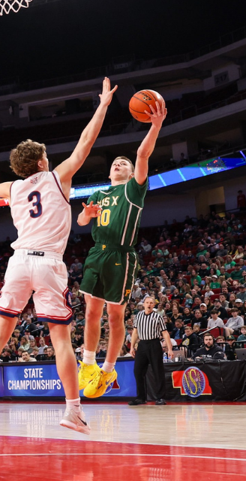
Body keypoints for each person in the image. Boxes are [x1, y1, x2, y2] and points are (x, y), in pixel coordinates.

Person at [0, 77, 115, 437]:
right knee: (60, 338)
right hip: (47, 264)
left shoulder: (12, 188)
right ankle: (73, 411)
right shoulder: (57, 177)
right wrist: (102, 106)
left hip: (18, 262)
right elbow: (85, 144)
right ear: (42, 160)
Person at [76, 92, 164, 399]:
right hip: (96, 254)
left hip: (121, 256)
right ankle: (88, 364)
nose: (118, 164)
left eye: (122, 163)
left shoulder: (133, 190)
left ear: (130, 173)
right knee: (90, 313)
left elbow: (142, 155)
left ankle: (108, 369)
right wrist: (85, 215)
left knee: (115, 316)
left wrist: (155, 125)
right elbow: (81, 223)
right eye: (114, 162)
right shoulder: (99, 195)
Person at [126, 295, 173, 406]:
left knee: (158, 371)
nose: (149, 304)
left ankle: (160, 397)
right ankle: (141, 398)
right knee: (138, 371)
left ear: (154, 305)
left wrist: (169, 349)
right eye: (147, 302)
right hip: (142, 344)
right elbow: (135, 332)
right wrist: (132, 347)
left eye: (151, 303)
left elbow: (165, 333)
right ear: (144, 304)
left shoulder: (158, 317)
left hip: (154, 344)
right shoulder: (138, 316)